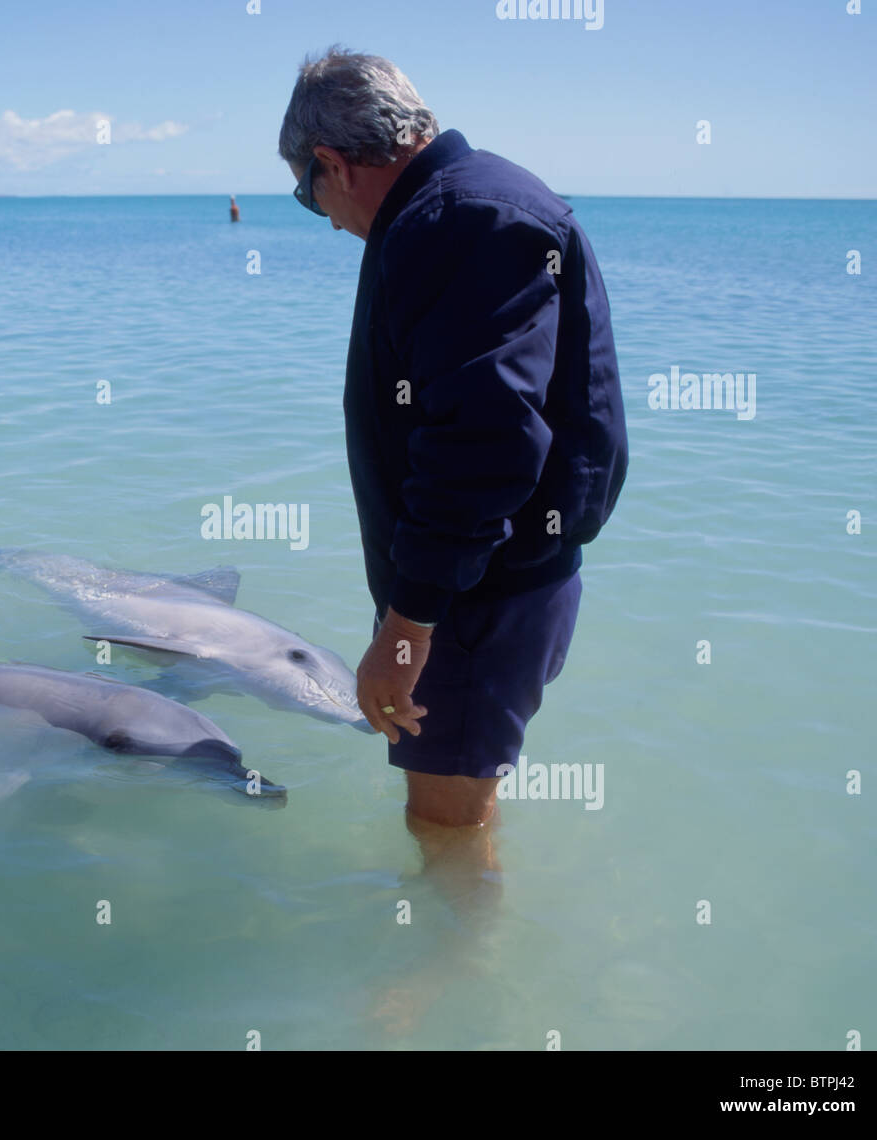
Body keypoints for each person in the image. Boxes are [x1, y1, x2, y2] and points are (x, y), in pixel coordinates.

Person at [279, 47, 627, 833]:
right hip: (494, 583)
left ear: (331, 162)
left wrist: (408, 628)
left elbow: (487, 438)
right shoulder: (477, 201)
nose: (329, 220)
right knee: (462, 796)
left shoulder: (455, 221)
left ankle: (447, 954)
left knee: (444, 822)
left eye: (310, 196)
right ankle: (457, 935)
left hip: (478, 598)